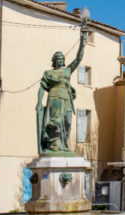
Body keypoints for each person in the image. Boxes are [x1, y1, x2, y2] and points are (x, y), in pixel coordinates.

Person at [36, 18, 88, 153]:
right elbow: (42, 87)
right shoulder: (48, 73)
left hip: (67, 99)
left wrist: (83, 42)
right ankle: (53, 145)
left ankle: (63, 145)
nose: (60, 60)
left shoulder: (67, 71)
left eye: (61, 59)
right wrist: (39, 102)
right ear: (54, 61)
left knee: (67, 122)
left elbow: (78, 58)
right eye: (57, 59)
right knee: (55, 122)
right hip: (55, 98)